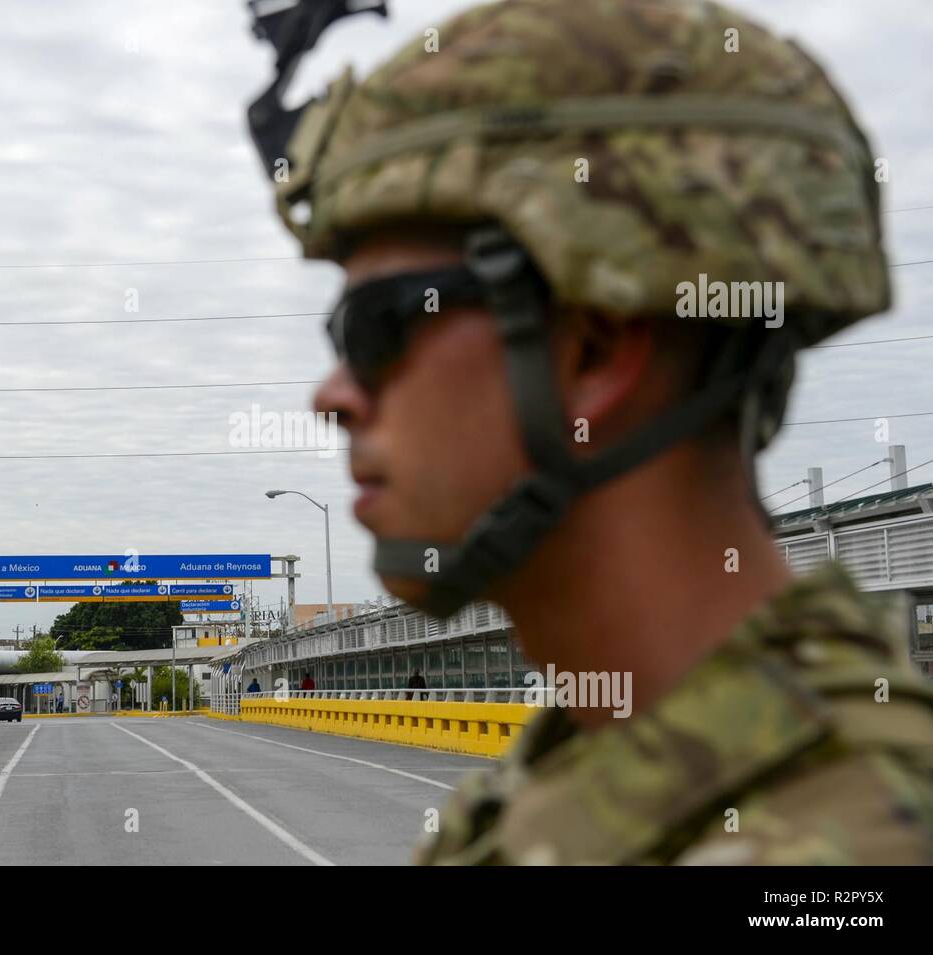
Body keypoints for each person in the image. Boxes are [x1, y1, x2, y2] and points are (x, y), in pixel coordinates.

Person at [246, 0, 933, 864]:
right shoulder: (573, 783)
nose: (333, 396)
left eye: (377, 330)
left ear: (596, 351)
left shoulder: (845, 850)